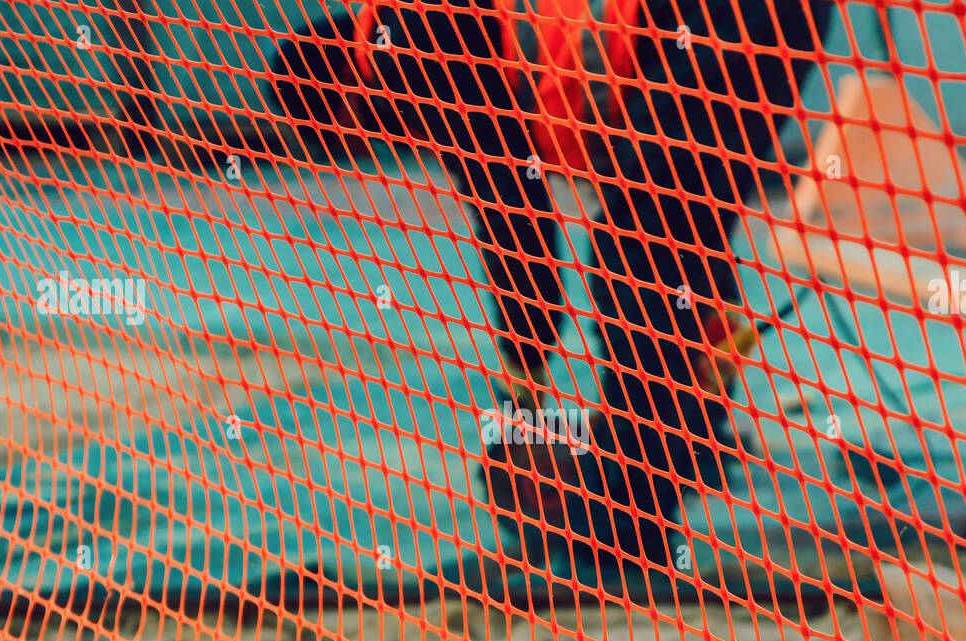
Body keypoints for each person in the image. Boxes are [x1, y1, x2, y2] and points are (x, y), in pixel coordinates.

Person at [271, 0, 835, 583]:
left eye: (348, 137)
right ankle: (689, 432)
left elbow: (515, 216)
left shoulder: (408, 58)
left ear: (342, 103)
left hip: (699, 28)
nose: (372, 147)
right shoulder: (411, 26)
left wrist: (525, 372)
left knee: (636, 252)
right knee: (677, 232)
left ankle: (632, 516)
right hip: (738, 28)